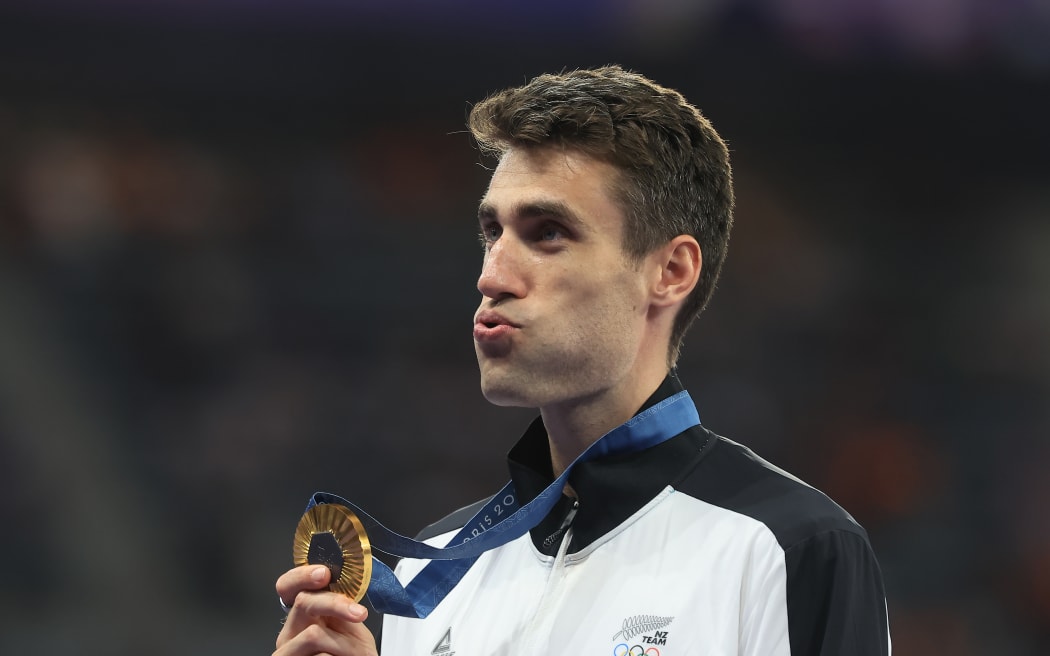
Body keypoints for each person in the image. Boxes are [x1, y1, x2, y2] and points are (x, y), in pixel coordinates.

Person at [273, 65, 891, 656]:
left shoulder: (788, 547)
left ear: (670, 272)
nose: (493, 275)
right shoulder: (431, 574)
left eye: (547, 233)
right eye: (493, 232)